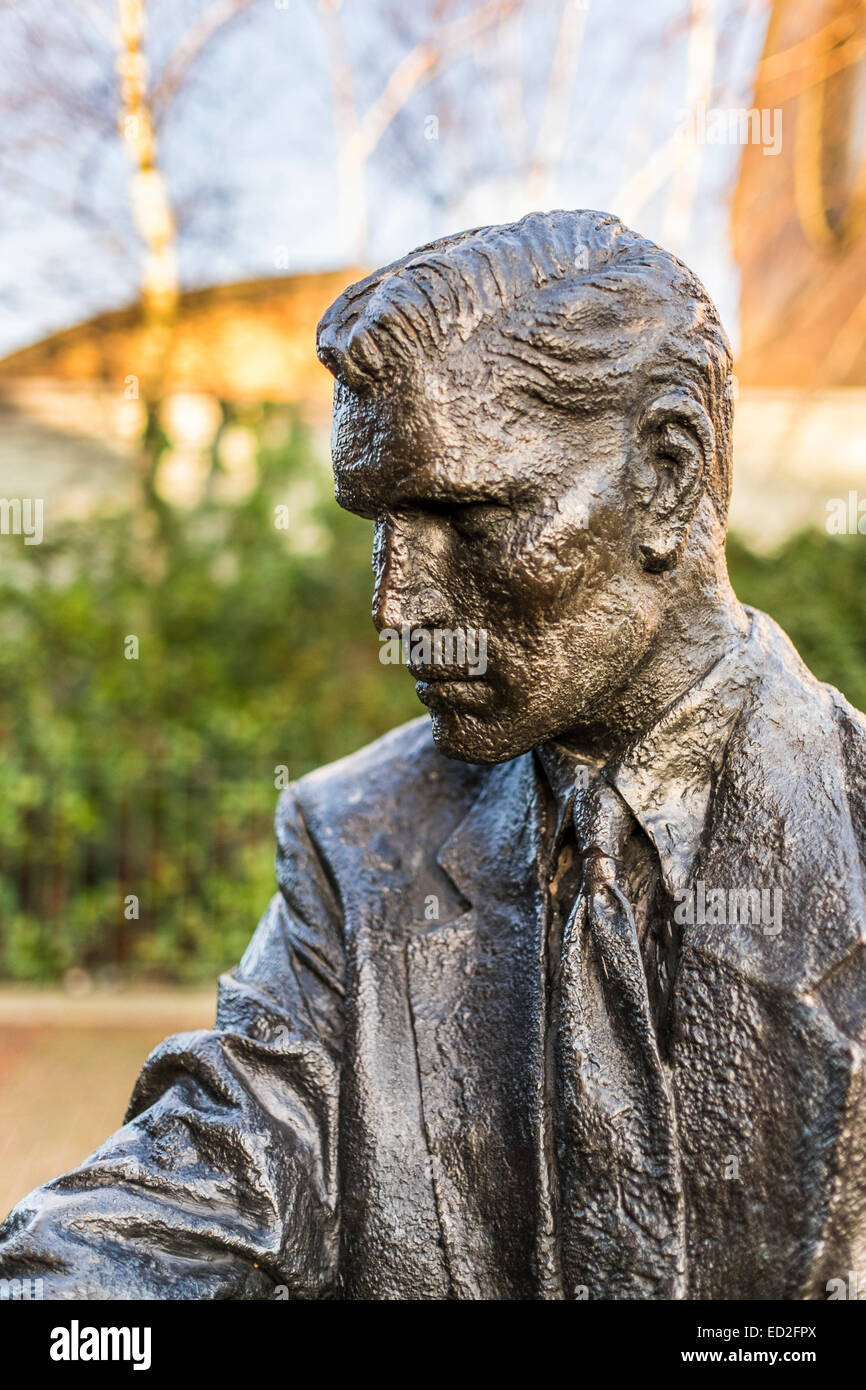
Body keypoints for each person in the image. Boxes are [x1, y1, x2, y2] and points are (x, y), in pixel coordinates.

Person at [2, 209, 864, 1300]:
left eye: (463, 515)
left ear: (666, 473)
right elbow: (193, 1190)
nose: (396, 606)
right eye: (380, 522)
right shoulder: (358, 842)